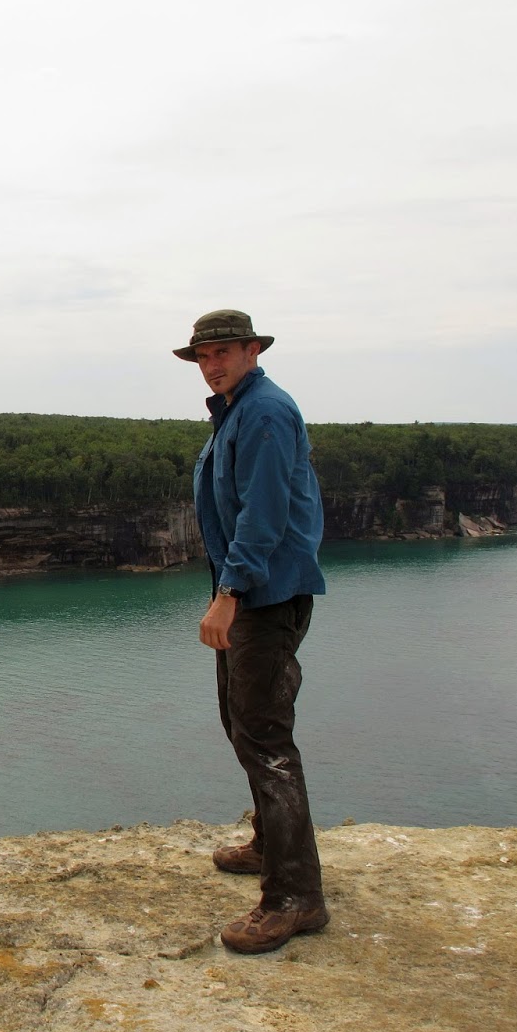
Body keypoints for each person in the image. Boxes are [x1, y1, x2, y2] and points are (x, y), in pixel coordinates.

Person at [176, 309, 329, 954]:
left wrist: (230, 593)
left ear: (252, 351)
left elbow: (262, 515)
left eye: (223, 353)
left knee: (264, 735)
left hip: (264, 595)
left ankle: (294, 898)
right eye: (203, 356)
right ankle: (270, 843)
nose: (212, 365)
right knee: (241, 719)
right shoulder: (237, 408)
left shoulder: (264, 412)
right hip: (249, 593)